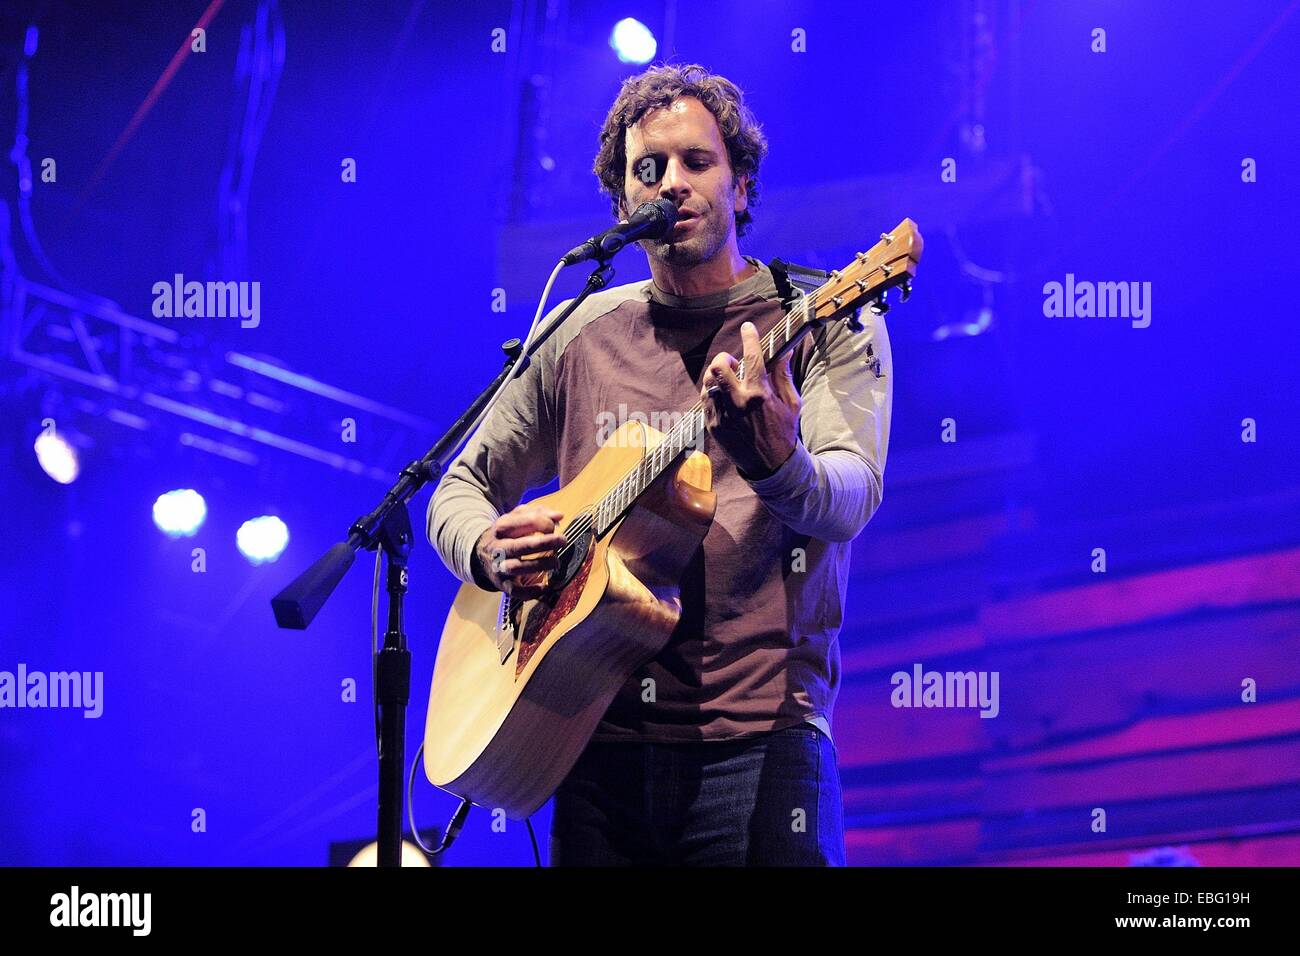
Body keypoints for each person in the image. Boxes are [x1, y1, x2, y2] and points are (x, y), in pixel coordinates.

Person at [427, 63, 892, 865]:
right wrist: (487, 550)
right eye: (649, 171)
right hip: (588, 729)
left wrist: (779, 461)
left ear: (741, 186)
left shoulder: (824, 316)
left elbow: (849, 498)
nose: (672, 184)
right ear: (621, 206)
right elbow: (458, 489)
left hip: (762, 739)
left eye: (696, 163)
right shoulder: (576, 331)